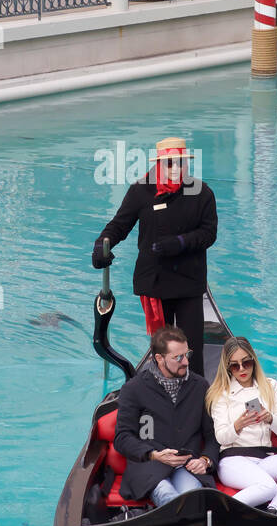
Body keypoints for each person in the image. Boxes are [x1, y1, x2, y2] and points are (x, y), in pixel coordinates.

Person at [93, 137, 217, 378]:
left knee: (191, 350)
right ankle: (161, 395)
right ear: (160, 164)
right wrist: (101, 246)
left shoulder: (202, 193)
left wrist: (179, 243)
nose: (175, 169)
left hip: (188, 283)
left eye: (180, 163)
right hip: (155, 282)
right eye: (169, 163)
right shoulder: (142, 190)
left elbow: (208, 234)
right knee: (162, 349)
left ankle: (196, 398)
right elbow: (119, 226)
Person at [114, 325, 220, 508]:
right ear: (159, 358)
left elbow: (213, 437)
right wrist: (154, 455)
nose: (186, 362)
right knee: (167, 496)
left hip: (188, 466)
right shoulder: (133, 389)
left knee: (193, 497)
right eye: (178, 357)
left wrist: (205, 461)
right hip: (149, 466)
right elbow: (123, 438)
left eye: (187, 354)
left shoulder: (200, 386)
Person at [206, 337, 277, 517]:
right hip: (233, 460)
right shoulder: (220, 393)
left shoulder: (270, 386)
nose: (242, 369)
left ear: (253, 360)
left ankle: (274, 510)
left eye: (246, 362)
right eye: (235, 366)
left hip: (264, 459)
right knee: (268, 487)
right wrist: (238, 425)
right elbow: (221, 437)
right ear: (228, 367)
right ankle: (221, 513)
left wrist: (270, 418)